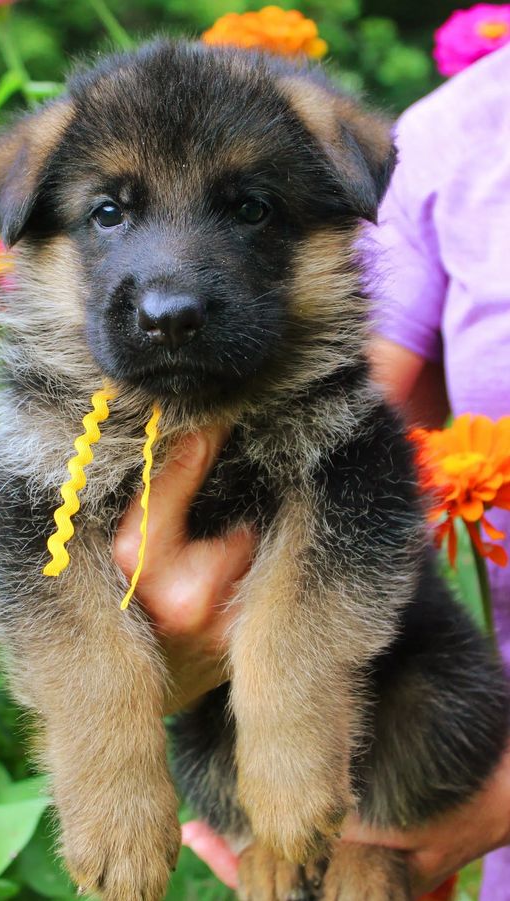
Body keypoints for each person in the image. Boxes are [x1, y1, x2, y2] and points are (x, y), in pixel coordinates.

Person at [114, 40, 510, 900]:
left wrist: (486, 804)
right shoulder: (454, 138)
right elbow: (366, 434)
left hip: (464, 762)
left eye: (249, 209)